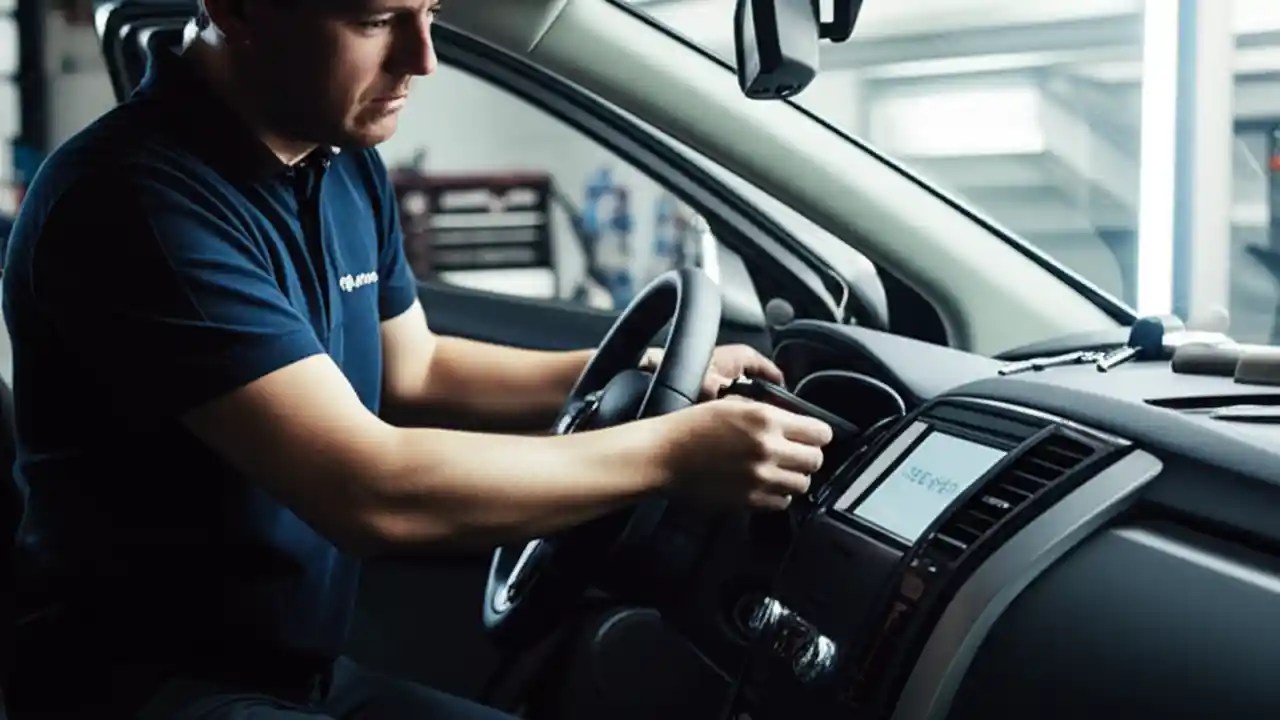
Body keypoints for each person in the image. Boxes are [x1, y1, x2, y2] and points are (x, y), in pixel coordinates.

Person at [1, 1, 834, 718]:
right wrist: (672, 452)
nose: (422, 58)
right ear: (238, 9)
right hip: (141, 691)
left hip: (298, 673)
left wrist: (659, 371)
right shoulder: (133, 200)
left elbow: (419, 368)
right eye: (374, 20)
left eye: (428, 13)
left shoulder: (339, 160)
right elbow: (370, 489)